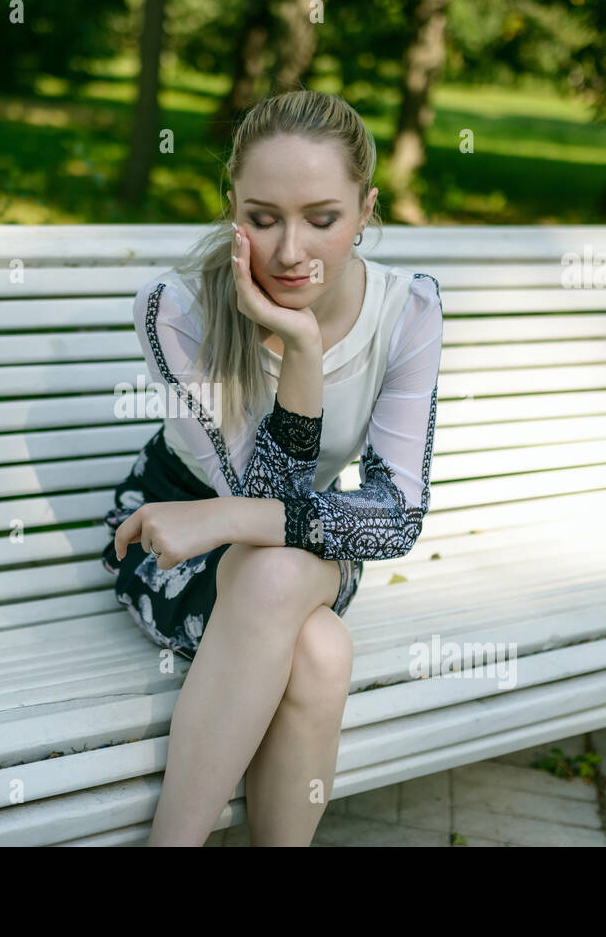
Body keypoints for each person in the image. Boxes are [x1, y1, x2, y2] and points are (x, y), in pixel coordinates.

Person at [100, 88, 444, 846]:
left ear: (366, 209)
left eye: (322, 219)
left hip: (271, 538)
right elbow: (264, 500)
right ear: (232, 206)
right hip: (172, 548)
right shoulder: (179, 310)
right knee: (321, 645)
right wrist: (302, 349)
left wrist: (302, 345)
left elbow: (396, 515)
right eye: (263, 218)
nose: (291, 251)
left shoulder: (407, 310)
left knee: (281, 574)